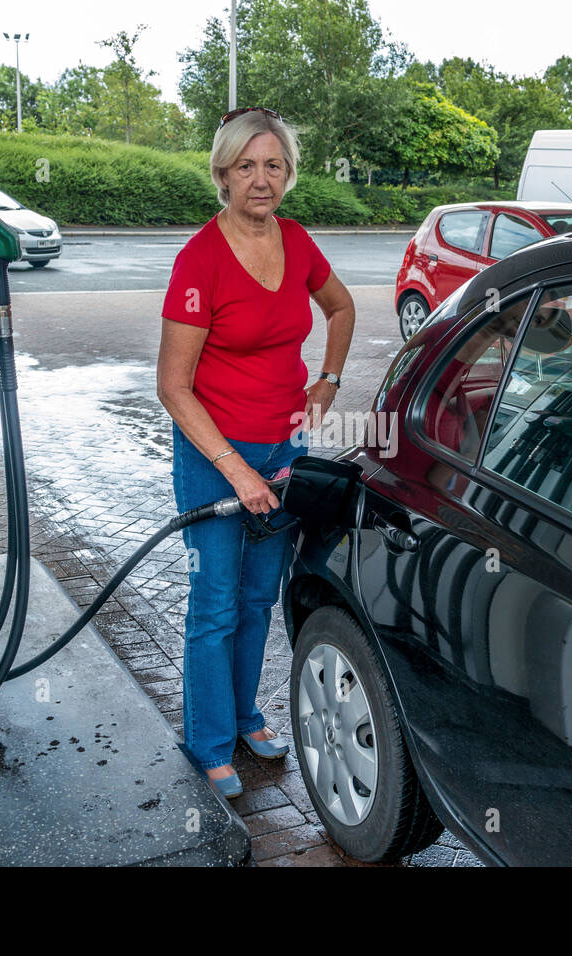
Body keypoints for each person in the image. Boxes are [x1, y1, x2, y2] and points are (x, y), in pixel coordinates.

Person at [156, 107, 356, 799]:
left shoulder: (297, 242)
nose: (261, 179)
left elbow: (341, 308)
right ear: (222, 174)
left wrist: (326, 384)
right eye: (247, 166)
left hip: (283, 446)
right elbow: (172, 386)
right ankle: (208, 741)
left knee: (257, 597)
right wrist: (235, 470)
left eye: (273, 165)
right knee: (213, 601)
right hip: (215, 452)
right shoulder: (199, 260)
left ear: (288, 173)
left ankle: (243, 716)